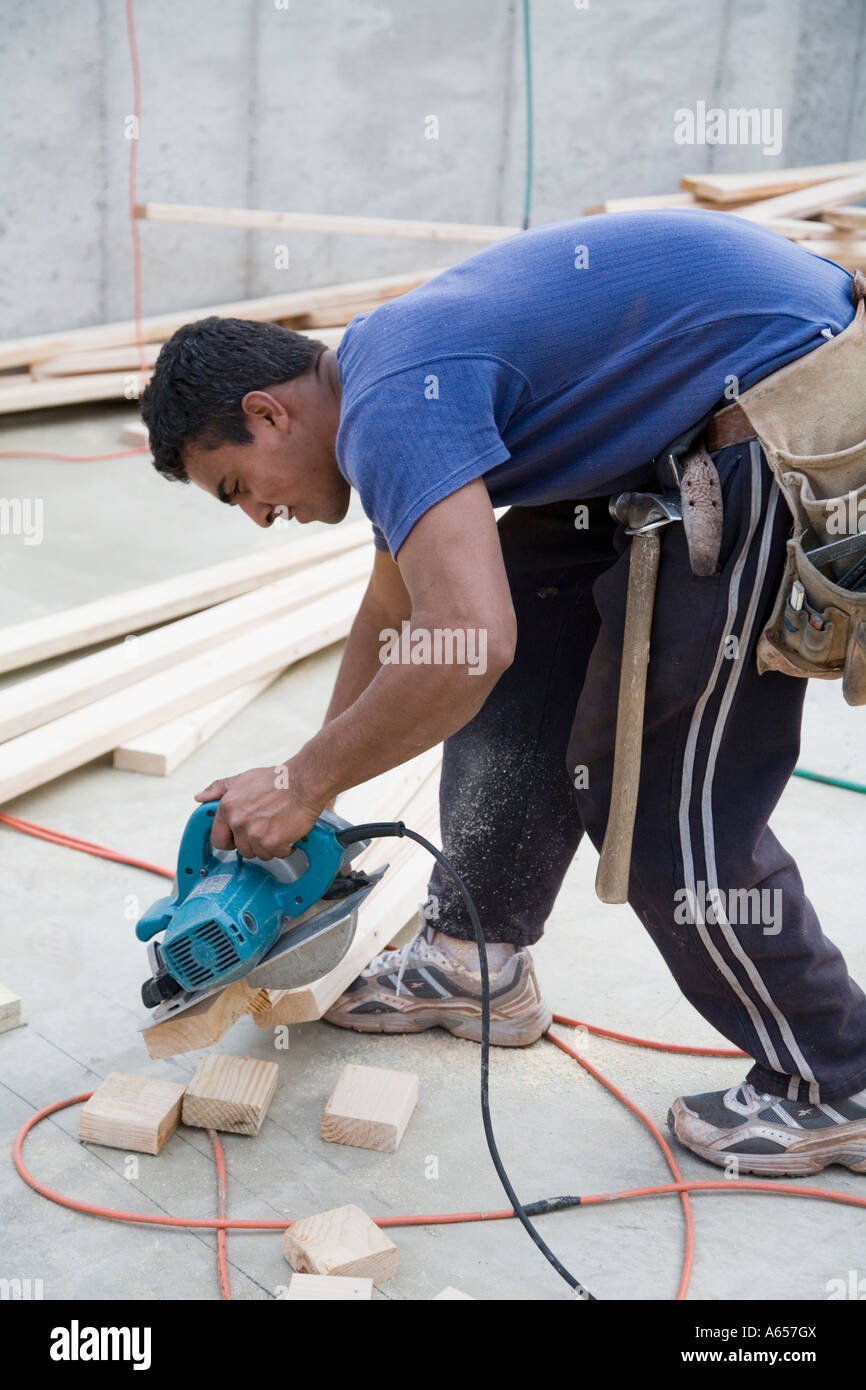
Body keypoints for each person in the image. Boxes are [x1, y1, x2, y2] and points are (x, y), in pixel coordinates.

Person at [140, 211, 866, 1176]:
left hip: (778, 420)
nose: (261, 517)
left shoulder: (390, 399)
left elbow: (465, 648)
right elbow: (400, 610)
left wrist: (306, 785)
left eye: (237, 487)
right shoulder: (384, 375)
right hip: (699, 408)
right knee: (520, 591)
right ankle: (474, 959)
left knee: (657, 796)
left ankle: (836, 1077)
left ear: (271, 413)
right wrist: (306, 782)